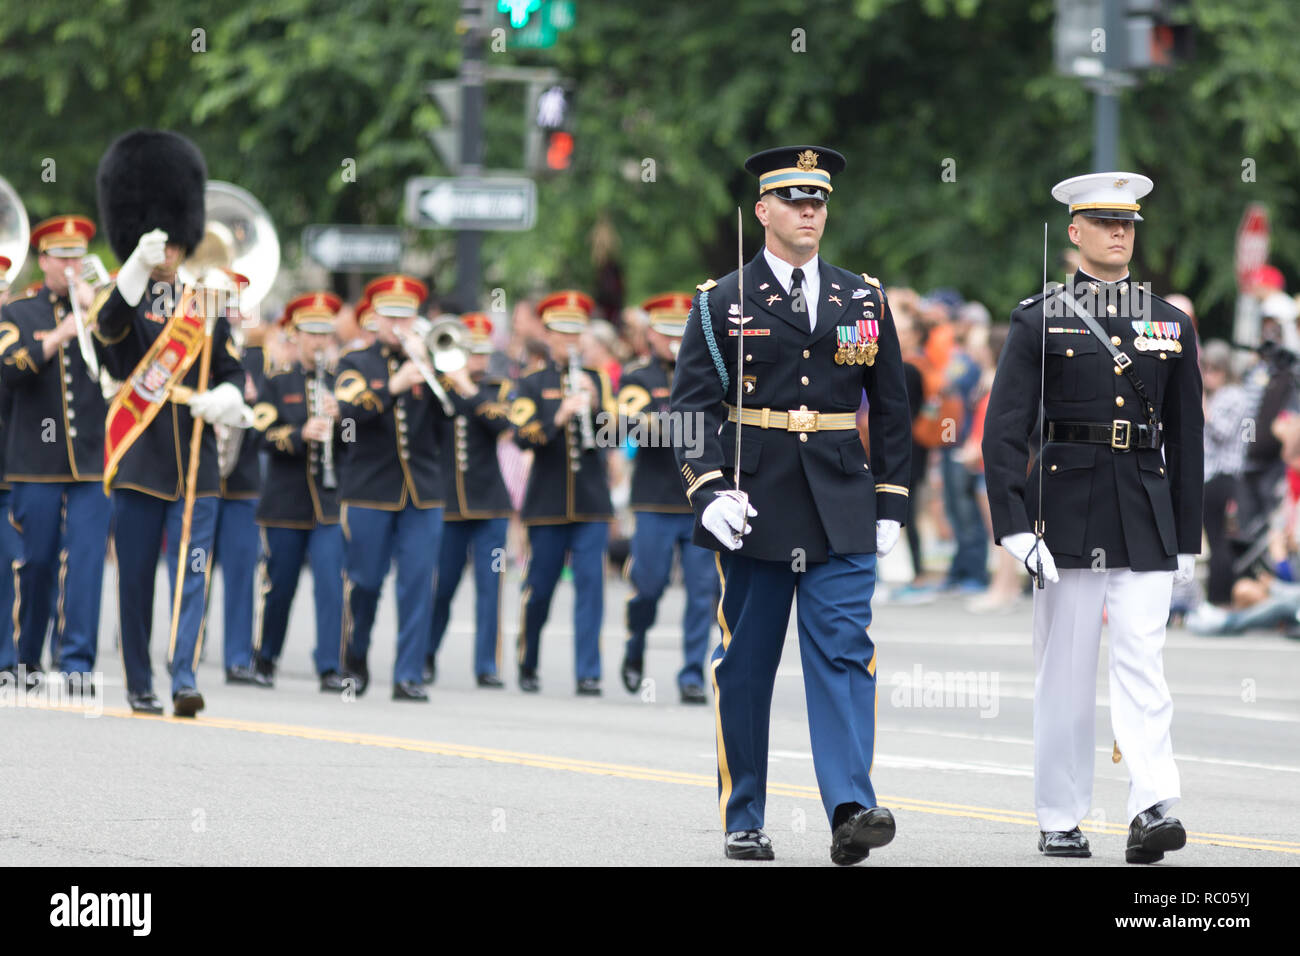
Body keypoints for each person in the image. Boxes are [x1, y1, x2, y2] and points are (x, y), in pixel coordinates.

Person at [670, 146, 912, 864]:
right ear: (763, 211)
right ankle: (743, 814)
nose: (811, 212)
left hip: (841, 498)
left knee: (843, 653)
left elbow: (892, 406)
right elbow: (688, 408)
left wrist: (893, 498)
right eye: (795, 201)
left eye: (820, 201)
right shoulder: (722, 300)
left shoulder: (860, 297)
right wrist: (708, 490)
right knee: (746, 664)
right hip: (756, 501)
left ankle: (850, 808)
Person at [982, 172, 1204, 863]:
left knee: (1144, 664)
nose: (1119, 233)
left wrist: (1187, 533)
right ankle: (1060, 814)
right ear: (1074, 232)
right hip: (1067, 508)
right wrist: (1013, 523)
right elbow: (1004, 429)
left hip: (1144, 505)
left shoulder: (1169, 322)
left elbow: (1186, 435)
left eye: (1128, 223)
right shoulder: (1039, 316)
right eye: (1104, 222)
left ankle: (1152, 805)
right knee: (1067, 671)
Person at [91, 129, 250, 717]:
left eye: (176, 240)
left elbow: (232, 367)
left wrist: (228, 397)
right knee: (135, 580)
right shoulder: (121, 297)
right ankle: (139, 680)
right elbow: (108, 342)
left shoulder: (205, 303)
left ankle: (183, 675)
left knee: (194, 574)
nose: (172, 251)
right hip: (139, 453)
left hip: (196, 454)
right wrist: (133, 266)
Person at [333, 275, 476, 701]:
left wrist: (444, 371)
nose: (399, 323)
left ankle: (408, 673)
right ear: (374, 318)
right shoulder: (355, 363)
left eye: (406, 315)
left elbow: (462, 410)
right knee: (366, 582)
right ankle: (355, 659)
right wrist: (393, 387)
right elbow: (347, 415)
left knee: (417, 582)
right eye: (391, 315)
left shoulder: (432, 362)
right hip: (369, 491)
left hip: (424, 493)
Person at [0, 216, 111, 694]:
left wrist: (100, 314)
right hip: (34, 462)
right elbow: (10, 367)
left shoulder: (103, 311)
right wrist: (62, 332)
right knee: (39, 561)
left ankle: (77, 663)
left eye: (77, 257)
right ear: (43, 260)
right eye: (61, 257)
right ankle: (27, 659)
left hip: (91, 459)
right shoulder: (19, 313)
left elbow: (128, 363)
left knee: (86, 559)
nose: (70, 266)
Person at [508, 290, 615, 695]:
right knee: (540, 589)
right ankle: (528, 659)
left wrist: (595, 411)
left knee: (591, 589)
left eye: (576, 333)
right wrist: (559, 416)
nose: (570, 341)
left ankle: (588, 671)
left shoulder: (600, 380)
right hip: (547, 504)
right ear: (548, 335)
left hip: (591, 502)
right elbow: (522, 436)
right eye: (561, 333)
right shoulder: (531, 383)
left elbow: (618, 435)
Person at [617, 292, 718, 705]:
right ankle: (635, 642)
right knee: (649, 585)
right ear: (651, 334)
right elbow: (629, 427)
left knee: (703, 591)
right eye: (668, 333)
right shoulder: (637, 376)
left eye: (682, 333)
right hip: (655, 498)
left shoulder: (709, 371)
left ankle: (692, 673)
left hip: (700, 500)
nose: (675, 342)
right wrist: (681, 421)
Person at [251, 292, 347, 692]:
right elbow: (261, 434)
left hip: (326, 504)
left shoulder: (341, 384)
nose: (318, 341)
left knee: (330, 583)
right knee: (281, 585)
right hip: (285, 503)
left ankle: (329, 664)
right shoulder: (277, 382)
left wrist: (344, 420)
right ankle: (267, 657)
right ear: (295, 334)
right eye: (311, 332)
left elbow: (357, 442)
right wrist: (299, 433)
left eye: (325, 333)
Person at [426, 312, 514, 689]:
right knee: (441, 587)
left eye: (481, 353)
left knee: (489, 588)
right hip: (447, 507)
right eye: (470, 352)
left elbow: (502, 424)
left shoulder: (497, 389)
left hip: (490, 506)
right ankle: (425, 655)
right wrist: (452, 385)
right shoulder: (437, 388)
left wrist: (469, 389)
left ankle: (486, 665)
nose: (477, 360)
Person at [206, 271, 268, 686]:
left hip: (242, 477)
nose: (230, 306)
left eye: (235, 298)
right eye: (221, 297)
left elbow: (268, 422)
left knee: (242, 571)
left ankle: (238, 658)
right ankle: (185, 648)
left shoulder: (261, 358)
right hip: (204, 473)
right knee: (193, 568)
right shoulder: (199, 343)